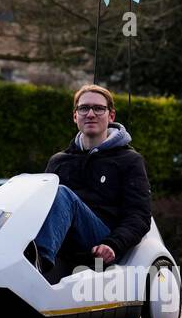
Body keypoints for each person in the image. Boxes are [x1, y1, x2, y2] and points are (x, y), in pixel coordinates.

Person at [33, 85, 152, 276]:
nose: (90, 114)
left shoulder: (129, 160)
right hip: (62, 241)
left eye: (98, 108)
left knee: (62, 194)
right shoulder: (58, 161)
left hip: (102, 239)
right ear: (75, 116)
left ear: (111, 116)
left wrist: (113, 244)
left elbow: (139, 216)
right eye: (83, 108)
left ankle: (36, 263)